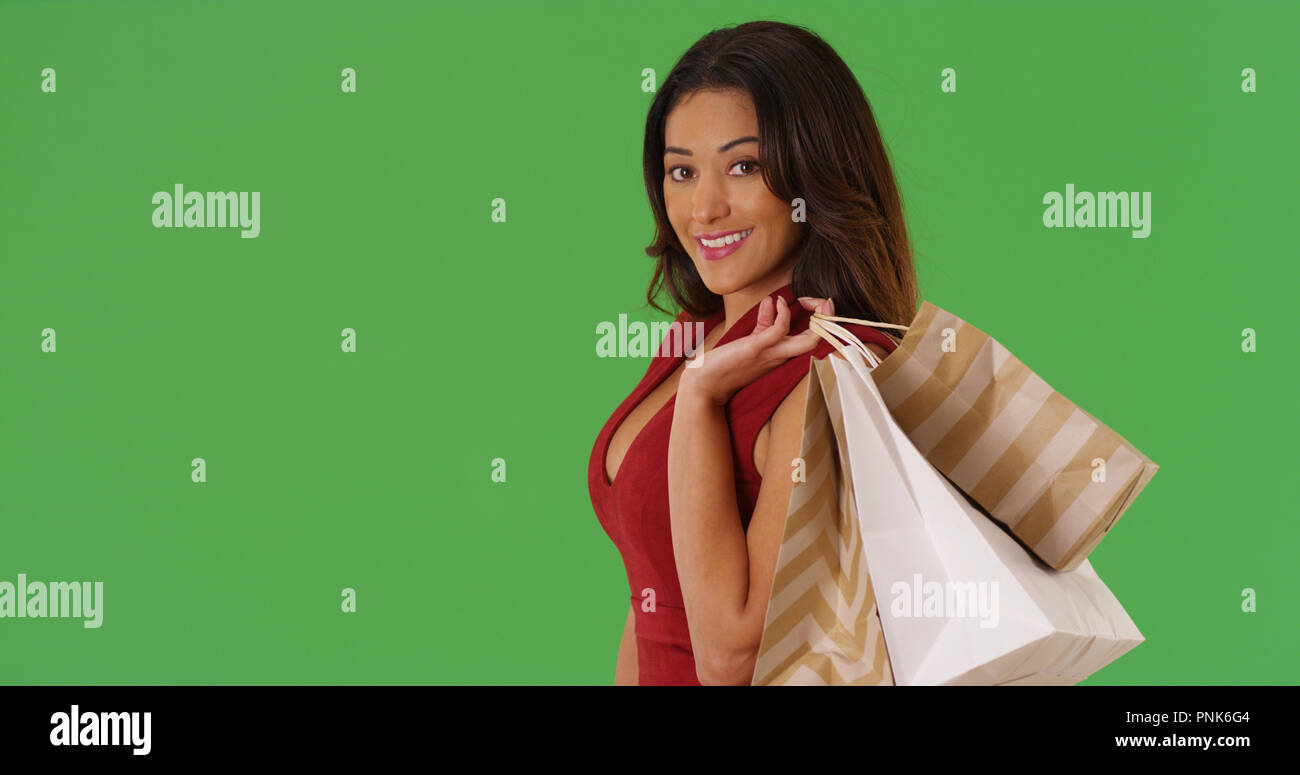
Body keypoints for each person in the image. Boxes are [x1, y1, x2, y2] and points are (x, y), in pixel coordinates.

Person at [587, 20, 920, 685]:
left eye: (744, 165)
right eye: (681, 171)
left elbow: (731, 656)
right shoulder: (697, 334)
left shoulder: (830, 373)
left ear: (813, 171)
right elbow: (648, 601)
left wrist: (702, 401)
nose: (704, 207)